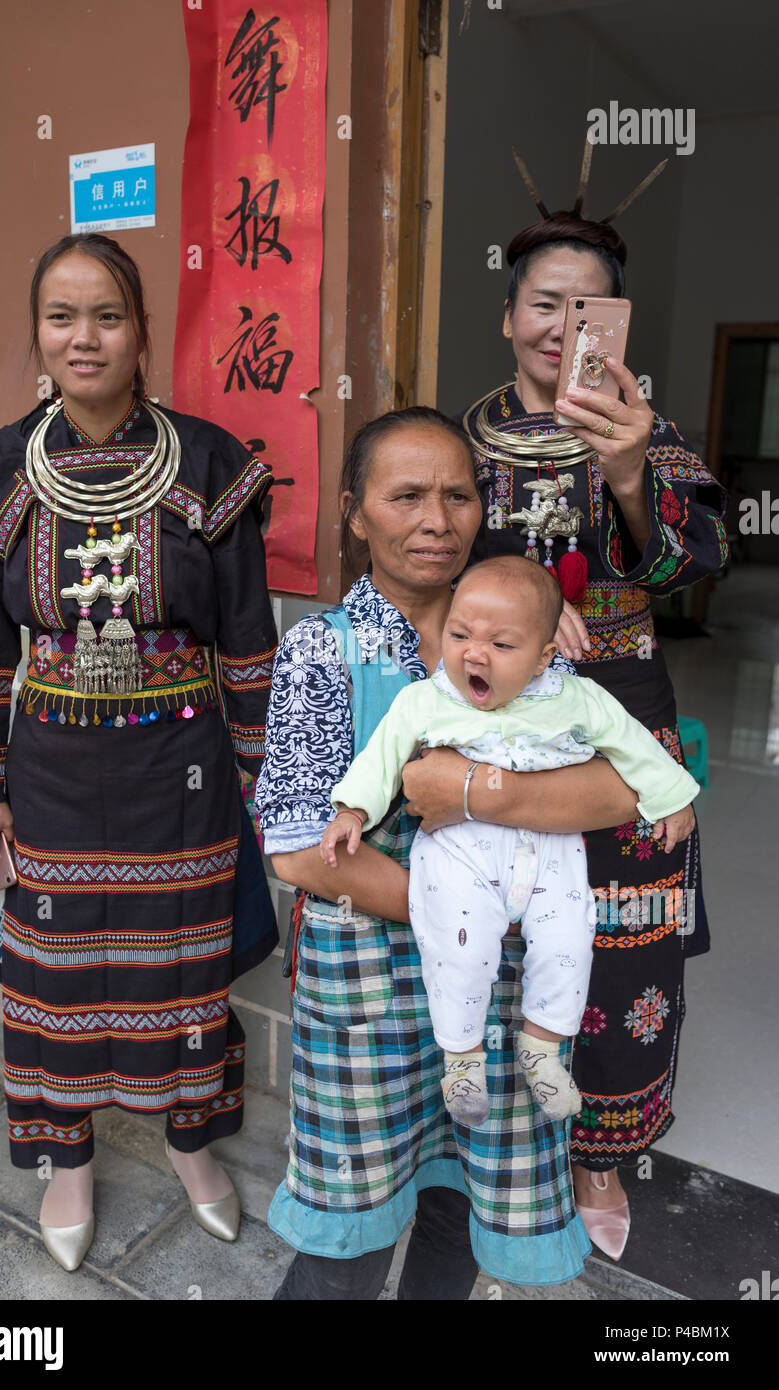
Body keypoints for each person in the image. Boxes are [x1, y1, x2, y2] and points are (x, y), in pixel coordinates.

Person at [0, 233, 279, 1271]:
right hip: (52, 772)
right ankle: (65, 1157)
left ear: (142, 332)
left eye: (107, 316)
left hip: (187, 773)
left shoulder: (212, 466)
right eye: (62, 316)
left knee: (184, 968)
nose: (85, 337)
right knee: (53, 973)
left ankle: (190, 1142)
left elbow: (249, 637)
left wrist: (267, 777)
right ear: (38, 333)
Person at [256, 407, 650, 1300]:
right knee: (344, 1244)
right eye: (405, 497)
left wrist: (474, 795)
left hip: (507, 1001)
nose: (436, 518)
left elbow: (618, 790)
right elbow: (300, 852)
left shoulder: (533, 642)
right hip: (372, 993)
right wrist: (474, 915)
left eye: (457, 495)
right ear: (356, 514)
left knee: (459, 1215)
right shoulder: (327, 648)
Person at [426, 206, 727, 1257]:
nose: (562, 324)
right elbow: (419, 565)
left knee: (620, 941)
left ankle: (600, 1155)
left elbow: (697, 569)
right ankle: (493, 1143)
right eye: (542, 302)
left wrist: (635, 472)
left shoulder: (652, 429)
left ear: (617, 323)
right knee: (490, 923)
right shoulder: (461, 441)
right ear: (508, 315)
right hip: (491, 715)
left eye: (584, 305)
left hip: (622, 712)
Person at [321, 555, 699, 1133]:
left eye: (501, 644)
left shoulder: (575, 697)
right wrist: (352, 809)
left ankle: (543, 1050)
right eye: (460, 634)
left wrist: (672, 796)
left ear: (545, 655)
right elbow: (383, 756)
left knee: (570, 940)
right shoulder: (426, 699)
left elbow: (632, 743)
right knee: (461, 949)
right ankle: (463, 1062)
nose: (474, 653)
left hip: (552, 852)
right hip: (460, 853)